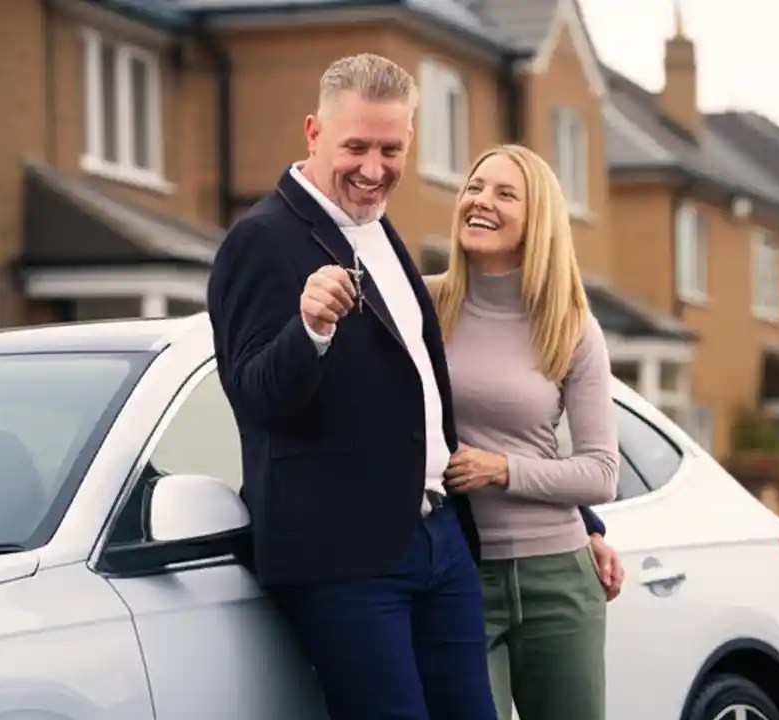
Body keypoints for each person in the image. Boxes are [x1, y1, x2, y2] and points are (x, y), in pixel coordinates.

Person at [206, 54, 619, 720]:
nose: (374, 168)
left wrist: (584, 521)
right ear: (313, 133)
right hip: (346, 561)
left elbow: (439, 401)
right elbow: (253, 396)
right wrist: (308, 328)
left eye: (391, 149)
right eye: (356, 147)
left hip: (444, 546)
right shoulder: (261, 241)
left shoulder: (380, 232)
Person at [427, 144, 620, 720]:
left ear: (539, 219)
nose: (480, 201)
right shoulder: (424, 305)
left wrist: (501, 468)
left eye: (505, 193)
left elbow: (601, 472)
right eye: (475, 186)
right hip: (459, 575)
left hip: (560, 581)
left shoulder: (572, 325)